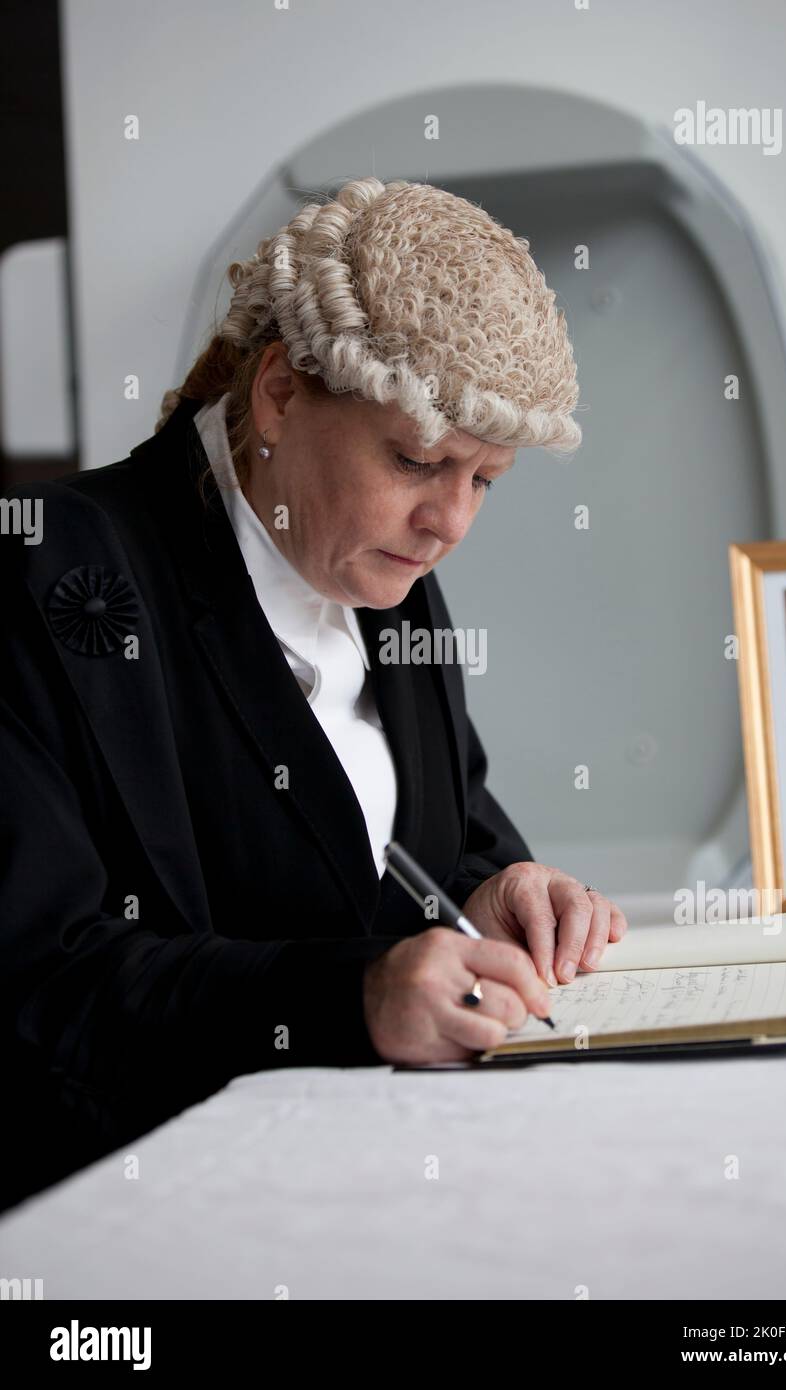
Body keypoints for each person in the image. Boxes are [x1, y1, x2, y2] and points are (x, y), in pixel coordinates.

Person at [0, 176, 627, 1209]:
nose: (449, 523)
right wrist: (354, 997)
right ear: (280, 393)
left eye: (484, 480)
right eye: (419, 460)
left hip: (367, 1175)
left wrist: (495, 890)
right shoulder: (47, 579)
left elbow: (434, 840)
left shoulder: (385, 576)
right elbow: (41, 982)